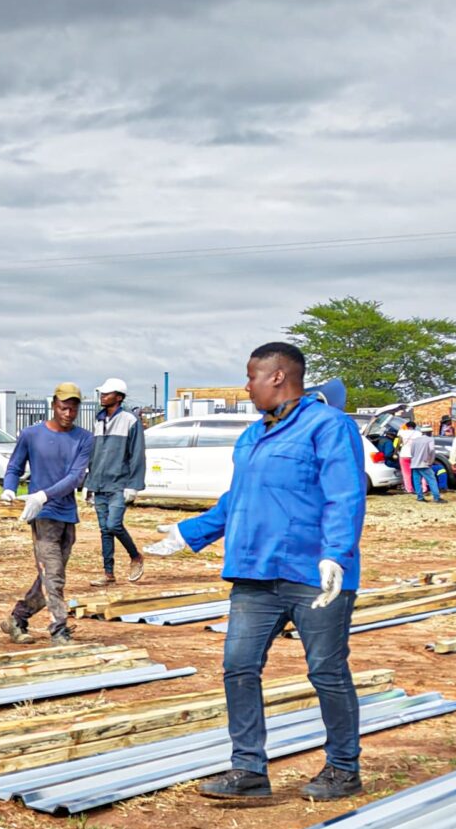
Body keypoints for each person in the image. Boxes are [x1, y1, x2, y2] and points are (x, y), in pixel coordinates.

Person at [146, 340, 368, 804]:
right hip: (254, 575)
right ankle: (248, 769)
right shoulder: (252, 435)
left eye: (251, 377)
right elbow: (238, 499)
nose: (247, 387)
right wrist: (190, 532)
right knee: (239, 666)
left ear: (278, 376)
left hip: (313, 575)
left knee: (326, 671)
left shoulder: (328, 426)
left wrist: (336, 554)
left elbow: (344, 495)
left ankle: (343, 768)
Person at [0, 383, 94, 643]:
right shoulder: (31, 435)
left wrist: (43, 495)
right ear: (53, 405)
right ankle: (59, 630)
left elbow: (75, 477)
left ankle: (18, 618)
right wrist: (9, 489)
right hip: (42, 518)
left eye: (73, 409)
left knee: (51, 576)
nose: (68, 414)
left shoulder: (84, 438)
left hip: (66, 514)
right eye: (63, 408)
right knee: (53, 574)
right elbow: (14, 467)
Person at [86, 378, 148, 583]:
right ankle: (108, 574)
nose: (103, 396)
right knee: (104, 530)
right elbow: (94, 453)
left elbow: (137, 454)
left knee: (113, 525)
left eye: (107, 393)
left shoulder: (130, 420)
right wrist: (89, 483)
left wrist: (134, 485)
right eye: (102, 393)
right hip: (99, 483)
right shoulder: (98, 420)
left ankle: (135, 556)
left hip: (119, 484)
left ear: (119, 397)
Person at [398, 419, 437, 501]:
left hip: (404, 454)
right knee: (423, 475)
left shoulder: (402, 432)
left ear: (407, 426)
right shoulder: (418, 434)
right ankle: (424, 488)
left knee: (406, 474)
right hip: (416, 456)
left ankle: (409, 489)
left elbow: (399, 443)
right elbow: (431, 450)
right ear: (415, 427)